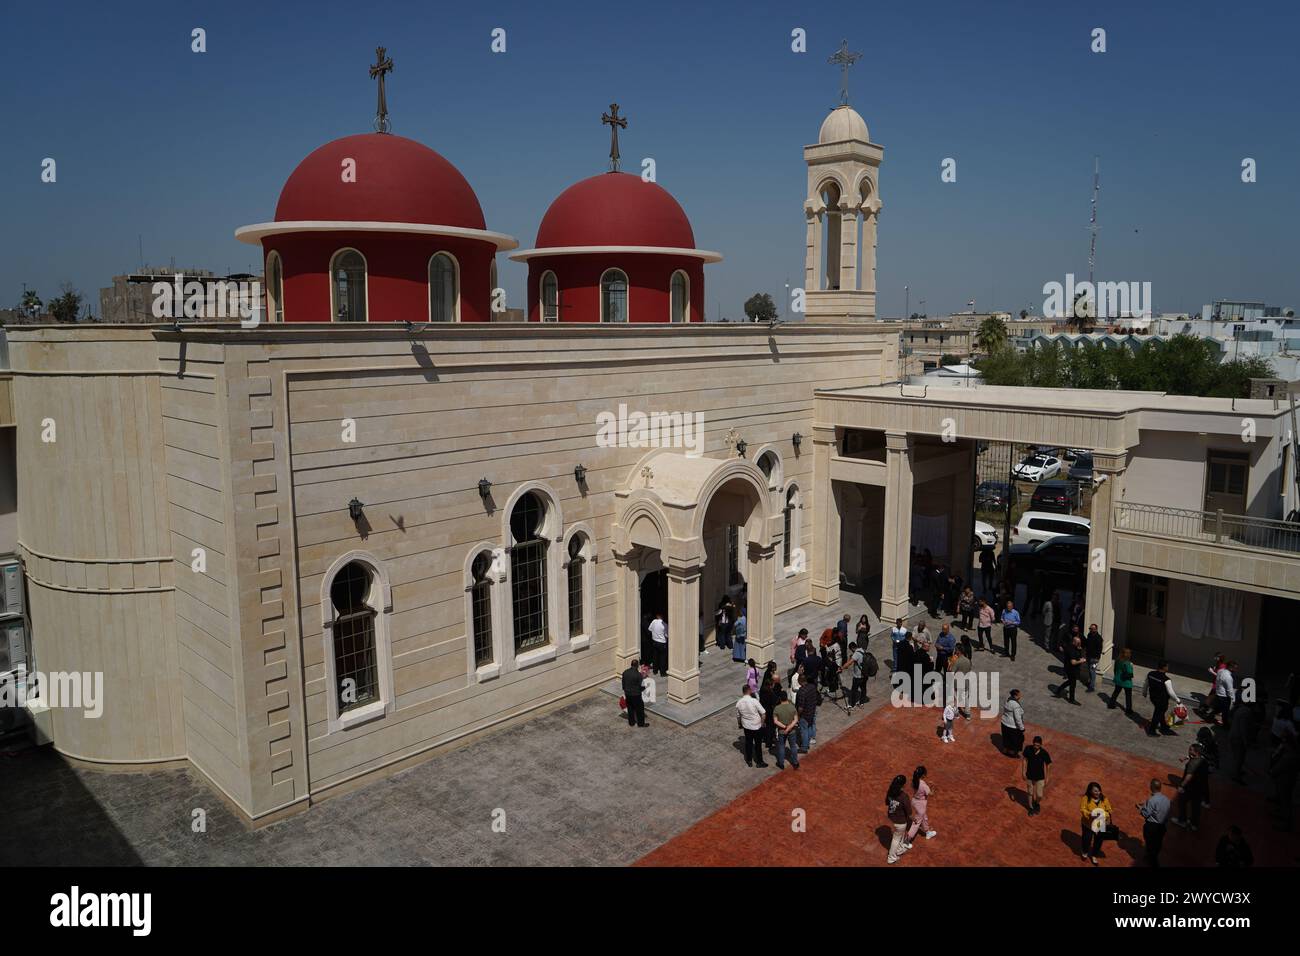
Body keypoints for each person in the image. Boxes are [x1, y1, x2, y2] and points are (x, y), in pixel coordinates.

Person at [1170, 742, 1211, 832]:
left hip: (1190, 788)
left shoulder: (1192, 764)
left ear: (1196, 752)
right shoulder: (1203, 760)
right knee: (1196, 807)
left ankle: (1182, 821)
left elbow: (1188, 777)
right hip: (1200, 789)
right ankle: (1194, 824)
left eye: (1190, 750)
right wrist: (1186, 757)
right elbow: (1195, 757)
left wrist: (1181, 786)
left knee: (1182, 802)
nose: (1188, 751)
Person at [1137, 779, 1171, 867]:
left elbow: (1145, 814)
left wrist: (1140, 808)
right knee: (1157, 844)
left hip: (1152, 827)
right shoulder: (1167, 800)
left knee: (1150, 845)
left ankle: (1152, 861)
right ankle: (1151, 857)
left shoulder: (1152, 800)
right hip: (1162, 826)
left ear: (1152, 787)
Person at [1079, 782, 1113, 865]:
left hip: (1100, 824)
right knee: (1086, 839)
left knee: (1098, 841)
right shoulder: (1085, 798)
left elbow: (1109, 810)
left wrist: (1103, 814)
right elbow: (1082, 809)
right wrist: (1090, 814)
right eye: (1095, 791)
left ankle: (1094, 855)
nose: (1098, 793)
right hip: (1088, 824)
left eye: (1099, 791)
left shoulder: (1104, 799)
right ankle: (1085, 851)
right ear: (1090, 791)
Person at [1144, 661, 1181, 736]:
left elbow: (1146, 683)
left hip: (1153, 698)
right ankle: (1151, 731)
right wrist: (1177, 700)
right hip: (1162, 700)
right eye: (1167, 666)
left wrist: (1144, 692)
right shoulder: (1166, 679)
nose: (1168, 667)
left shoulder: (1150, 674)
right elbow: (1171, 692)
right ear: (1164, 667)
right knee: (1157, 714)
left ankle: (1163, 726)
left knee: (1160, 712)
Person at [736, 684, 767, 768]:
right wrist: (762, 723)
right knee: (757, 745)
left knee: (748, 743)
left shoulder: (739, 703)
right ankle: (759, 762)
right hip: (757, 726)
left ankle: (749, 760)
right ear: (749, 691)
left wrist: (740, 724)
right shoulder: (754, 701)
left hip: (746, 726)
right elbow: (763, 713)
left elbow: (738, 716)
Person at [1228, 700, 1258, 784]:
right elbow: (1243, 729)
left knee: (1238, 756)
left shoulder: (1240, 709)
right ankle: (1236, 775)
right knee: (1239, 757)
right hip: (1238, 738)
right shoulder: (1246, 712)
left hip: (1233, 735)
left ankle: (1237, 771)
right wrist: (1246, 741)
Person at [886, 774, 914, 864]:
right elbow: (909, 812)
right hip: (900, 821)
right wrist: (914, 820)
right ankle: (891, 857)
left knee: (899, 834)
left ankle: (900, 849)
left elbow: (887, 802)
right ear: (903, 785)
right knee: (896, 838)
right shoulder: (904, 796)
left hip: (892, 817)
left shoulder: (890, 792)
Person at [1021, 736, 1052, 816]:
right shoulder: (1028, 749)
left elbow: (1048, 764)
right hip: (1030, 775)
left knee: (1039, 795)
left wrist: (1047, 777)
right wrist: (1023, 771)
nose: (1036, 747)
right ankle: (1031, 808)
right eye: (1035, 745)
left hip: (1040, 777)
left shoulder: (1044, 753)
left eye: (1038, 745)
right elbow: (1024, 760)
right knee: (1030, 792)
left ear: (1041, 745)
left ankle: (1037, 803)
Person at [772, 689, 800, 771]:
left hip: (781, 731)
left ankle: (781, 763)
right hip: (792, 730)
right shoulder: (792, 707)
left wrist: (784, 727)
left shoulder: (777, 708)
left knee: (781, 747)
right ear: (787, 697)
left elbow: (775, 721)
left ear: (780, 698)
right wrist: (789, 727)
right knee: (793, 746)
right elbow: (796, 719)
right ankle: (795, 763)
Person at [908, 766, 938, 842]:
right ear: (923, 775)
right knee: (916, 823)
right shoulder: (923, 785)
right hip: (921, 805)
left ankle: (927, 832)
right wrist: (933, 786)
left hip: (914, 801)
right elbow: (931, 794)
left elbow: (916, 787)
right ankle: (907, 840)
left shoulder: (914, 781)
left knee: (924, 817)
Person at [1055, 635, 1084, 705]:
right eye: (1078, 643)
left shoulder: (1073, 647)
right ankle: (1071, 699)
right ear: (1074, 642)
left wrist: (1079, 650)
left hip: (1070, 668)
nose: (1079, 644)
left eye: (1079, 643)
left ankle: (1059, 689)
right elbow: (1073, 662)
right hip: (1071, 669)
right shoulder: (1071, 650)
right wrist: (1082, 661)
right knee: (1073, 684)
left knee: (1070, 681)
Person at [796, 669, 821, 753]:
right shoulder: (812, 687)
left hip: (805, 714)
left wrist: (798, 715)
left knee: (804, 730)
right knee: (810, 727)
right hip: (812, 710)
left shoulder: (801, 691)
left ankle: (804, 747)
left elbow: (800, 707)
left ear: (800, 681)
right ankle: (809, 741)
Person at [1107, 647, 1135, 715]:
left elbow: (1115, 670)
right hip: (1126, 682)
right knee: (1128, 695)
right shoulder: (1128, 663)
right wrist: (1131, 666)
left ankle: (1111, 704)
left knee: (1116, 692)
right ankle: (1128, 709)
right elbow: (1130, 672)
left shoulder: (1118, 660)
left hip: (1118, 680)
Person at [759, 666, 780, 752]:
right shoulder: (771, 694)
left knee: (764, 725)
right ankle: (769, 742)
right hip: (770, 711)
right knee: (770, 727)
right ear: (770, 685)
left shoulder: (762, 691)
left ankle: (764, 738)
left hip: (763, 710)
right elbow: (775, 702)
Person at [621, 658, 647, 728]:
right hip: (636, 695)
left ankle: (631, 722)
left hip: (628, 694)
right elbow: (641, 686)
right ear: (637, 665)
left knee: (630, 708)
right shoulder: (638, 675)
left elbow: (623, 683)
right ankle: (641, 724)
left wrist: (625, 690)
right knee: (640, 710)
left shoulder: (625, 672)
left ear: (631, 664)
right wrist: (643, 688)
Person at [844, 640, 869, 708]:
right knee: (863, 689)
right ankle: (861, 703)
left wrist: (842, 667)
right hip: (865, 674)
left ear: (852, 648)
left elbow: (848, 664)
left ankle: (852, 705)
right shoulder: (862, 650)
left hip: (858, 676)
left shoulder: (856, 654)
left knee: (854, 690)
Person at [1001, 689, 1026, 756]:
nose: (1020, 696)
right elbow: (1018, 718)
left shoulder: (1007, 700)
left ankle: (1005, 750)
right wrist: (1022, 728)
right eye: (1019, 694)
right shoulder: (1016, 705)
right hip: (1013, 726)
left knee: (1006, 738)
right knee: (1015, 740)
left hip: (1004, 723)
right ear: (1015, 695)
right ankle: (1012, 753)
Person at [1213, 661, 1237, 727]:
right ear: (1230, 667)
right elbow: (1230, 690)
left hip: (1218, 693)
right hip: (1224, 696)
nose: (1236, 670)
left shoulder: (1220, 671)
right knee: (1225, 712)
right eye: (1235, 668)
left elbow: (1217, 680)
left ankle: (1210, 717)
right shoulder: (1228, 677)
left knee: (1217, 708)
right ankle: (1225, 725)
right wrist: (1233, 699)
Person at [951, 647, 973, 720]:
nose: (955, 652)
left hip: (957, 682)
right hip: (966, 682)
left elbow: (952, 672)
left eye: (956, 651)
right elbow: (969, 670)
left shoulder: (957, 661)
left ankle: (956, 714)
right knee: (966, 698)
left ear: (959, 652)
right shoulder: (968, 660)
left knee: (956, 698)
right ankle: (968, 714)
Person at [1084, 624, 1103, 692]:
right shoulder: (1089, 635)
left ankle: (1092, 687)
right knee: (1090, 670)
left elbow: (1099, 649)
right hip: (1089, 656)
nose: (1091, 630)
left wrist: (1097, 658)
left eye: (1092, 629)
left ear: (1096, 629)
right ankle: (1090, 683)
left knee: (1092, 671)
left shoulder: (1098, 638)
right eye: (1090, 628)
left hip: (1094, 658)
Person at [647, 612, 668, 676]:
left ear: (657, 616)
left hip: (654, 642)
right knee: (662, 658)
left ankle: (655, 671)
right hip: (662, 643)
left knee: (655, 657)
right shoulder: (665, 625)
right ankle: (662, 672)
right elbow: (667, 635)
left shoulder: (654, 621)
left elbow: (649, 629)